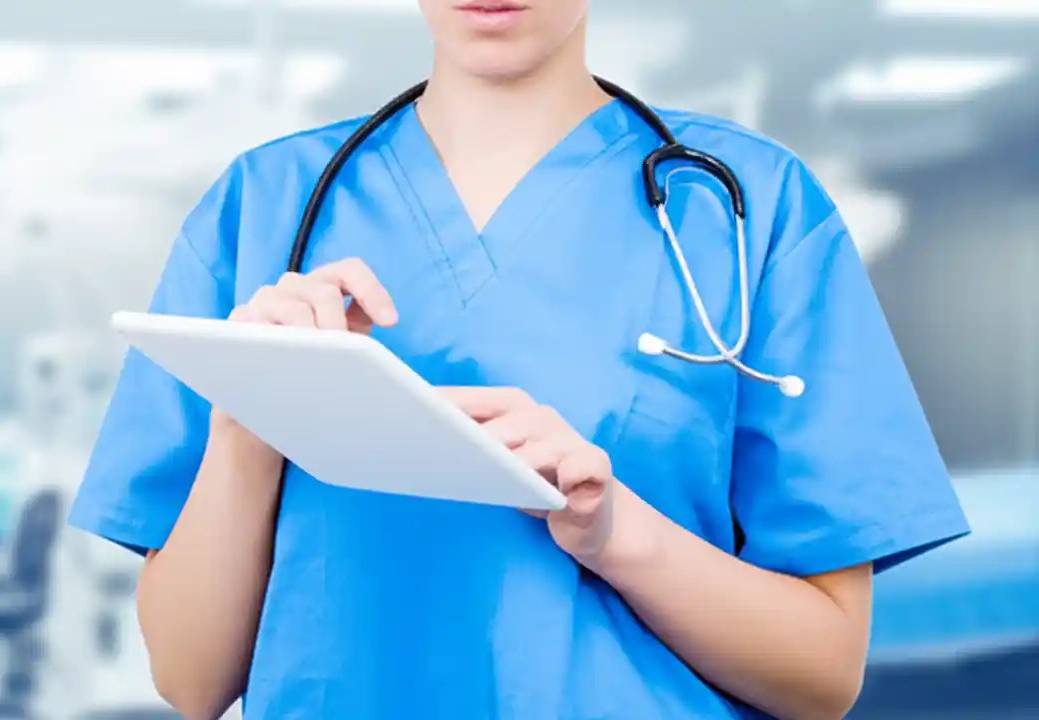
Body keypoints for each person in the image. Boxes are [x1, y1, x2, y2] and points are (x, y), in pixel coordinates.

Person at [68, 2, 970, 718]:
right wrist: (250, 420)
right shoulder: (264, 206)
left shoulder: (748, 210)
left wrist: (620, 535)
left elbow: (825, 678)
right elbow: (188, 681)